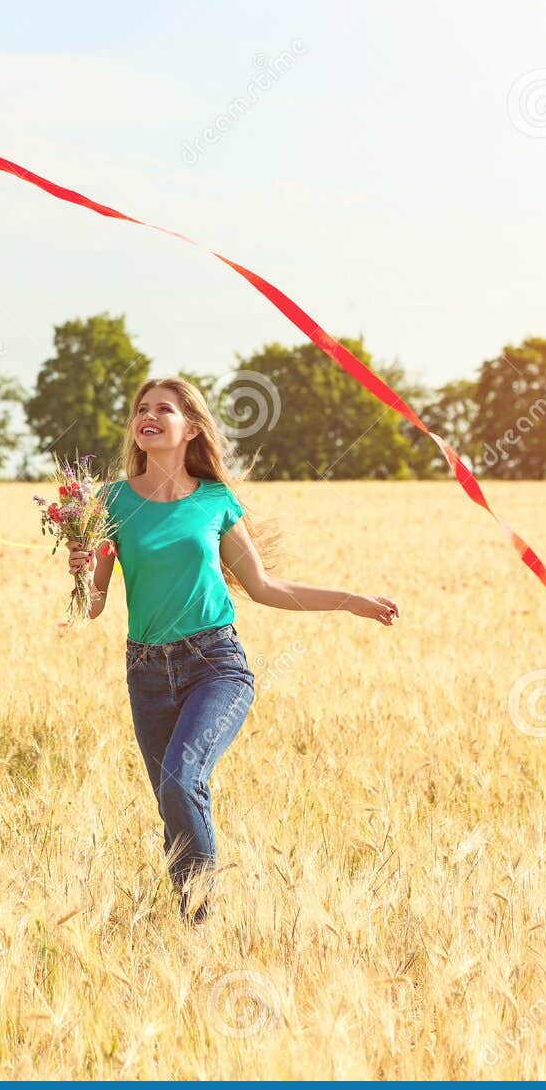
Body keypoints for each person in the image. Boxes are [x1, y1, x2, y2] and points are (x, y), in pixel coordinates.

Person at [69, 377, 400, 922]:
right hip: (146, 671)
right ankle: (188, 922)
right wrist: (80, 571)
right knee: (171, 805)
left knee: (182, 779)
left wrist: (349, 601)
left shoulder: (216, 500)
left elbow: (266, 587)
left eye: (164, 409)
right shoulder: (113, 501)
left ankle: (200, 921)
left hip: (214, 665)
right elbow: (95, 604)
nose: (147, 417)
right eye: (141, 409)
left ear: (191, 428)